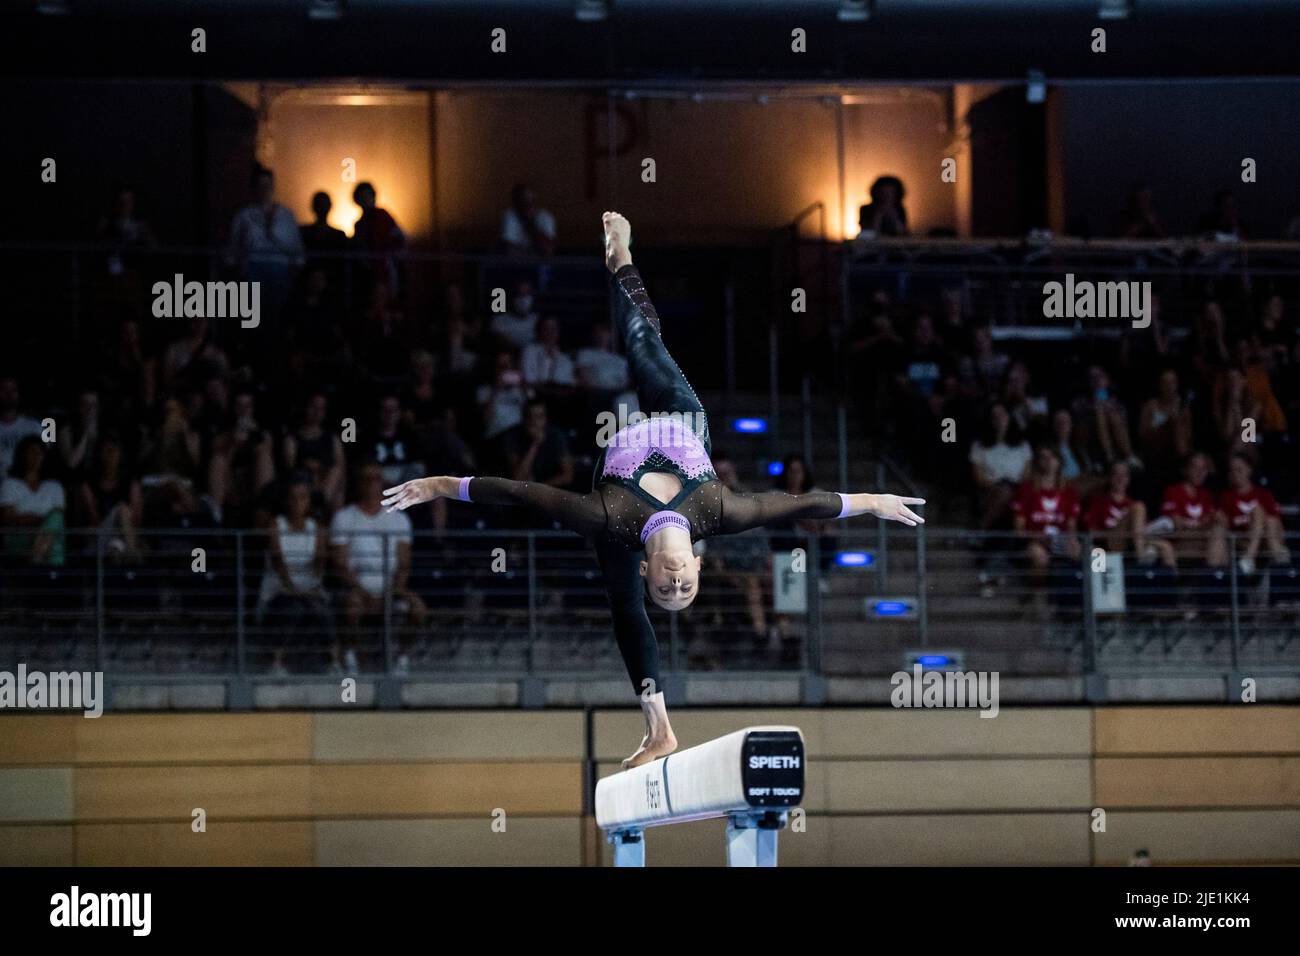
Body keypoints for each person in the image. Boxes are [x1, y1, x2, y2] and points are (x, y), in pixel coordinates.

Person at [381, 212, 924, 769]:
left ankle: (657, 725)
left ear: (651, 572)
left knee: (623, 605)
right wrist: (873, 502)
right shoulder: (719, 509)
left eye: (667, 590)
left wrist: (445, 484)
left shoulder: (607, 518)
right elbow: (801, 503)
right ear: (697, 563)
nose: (675, 583)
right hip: (677, 421)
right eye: (685, 586)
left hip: (613, 476)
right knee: (643, 335)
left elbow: (523, 493)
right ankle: (623, 257)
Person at [330, 461, 427, 675]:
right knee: (352, 606)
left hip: (390, 587)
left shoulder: (399, 519)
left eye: (375, 479)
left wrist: (393, 591)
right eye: (366, 479)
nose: (370, 484)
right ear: (358, 483)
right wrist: (362, 591)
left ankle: (401, 657)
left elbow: (404, 563)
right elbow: (340, 563)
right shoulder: (344, 517)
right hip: (357, 587)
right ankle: (349, 655)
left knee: (417, 608)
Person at [1220, 454, 1289, 575]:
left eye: (1239, 469)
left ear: (1249, 470)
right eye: (1232, 470)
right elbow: (1226, 528)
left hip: (1266, 542)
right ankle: (1277, 559)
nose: (1236, 474)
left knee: (1262, 514)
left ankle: (1250, 557)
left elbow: (1277, 525)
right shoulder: (1226, 497)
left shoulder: (1263, 494)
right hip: (1242, 542)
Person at [501, 183, 557, 257]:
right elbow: (510, 251)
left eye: (532, 200)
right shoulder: (510, 215)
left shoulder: (546, 217)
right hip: (516, 266)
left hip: (540, 265)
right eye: (524, 201)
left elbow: (548, 250)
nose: (529, 205)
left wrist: (531, 224)